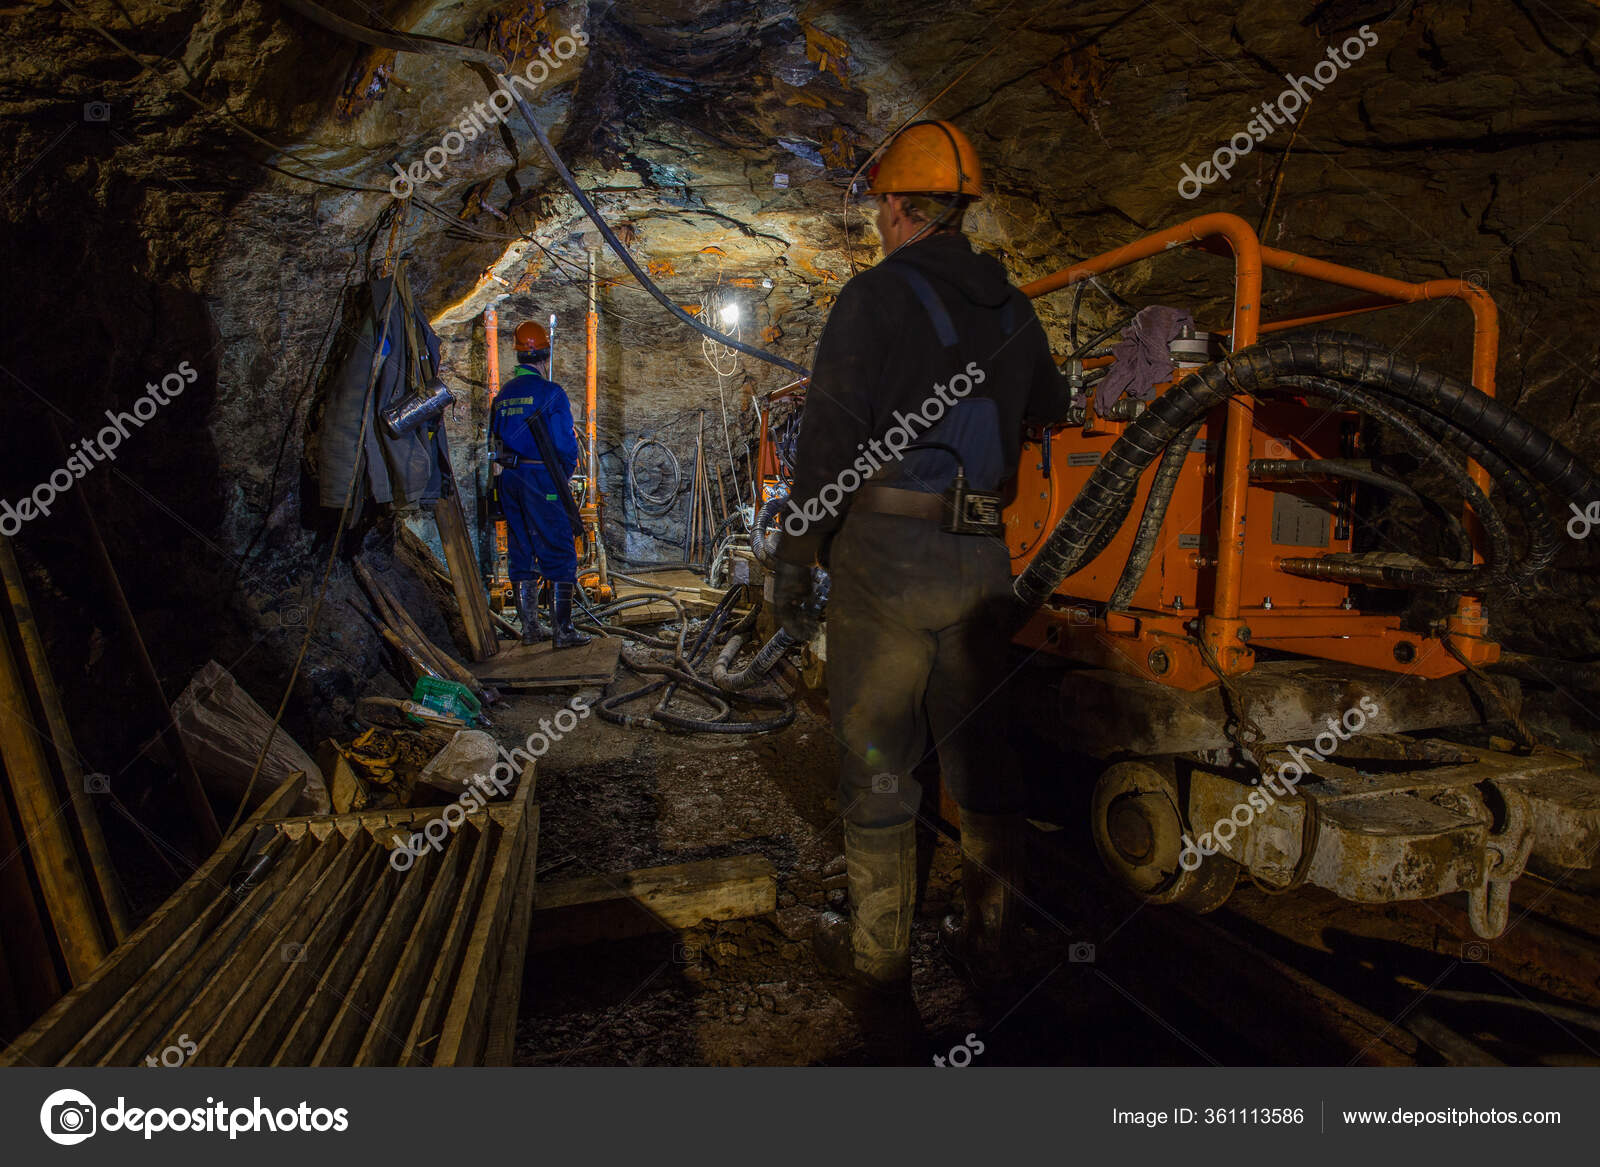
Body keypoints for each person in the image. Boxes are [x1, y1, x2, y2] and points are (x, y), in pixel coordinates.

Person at [773, 120, 1070, 991]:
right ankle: (991, 944)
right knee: (983, 757)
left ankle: (879, 960)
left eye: (882, 208)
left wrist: (795, 556)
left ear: (901, 208)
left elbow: (828, 446)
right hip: (980, 560)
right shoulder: (1014, 306)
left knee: (878, 756)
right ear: (959, 209)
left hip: (886, 560)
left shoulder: (872, 298)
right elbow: (1050, 405)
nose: (879, 220)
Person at [490, 319, 591, 650]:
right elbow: (564, 445)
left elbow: (495, 442)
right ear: (545, 355)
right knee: (559, 547)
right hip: (541, 477)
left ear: (519, 355)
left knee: (521, 548)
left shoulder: (502, 396)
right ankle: (563, 631)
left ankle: (530, 630)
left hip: (509, 479)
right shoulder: (551, 393)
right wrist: (564, 476)